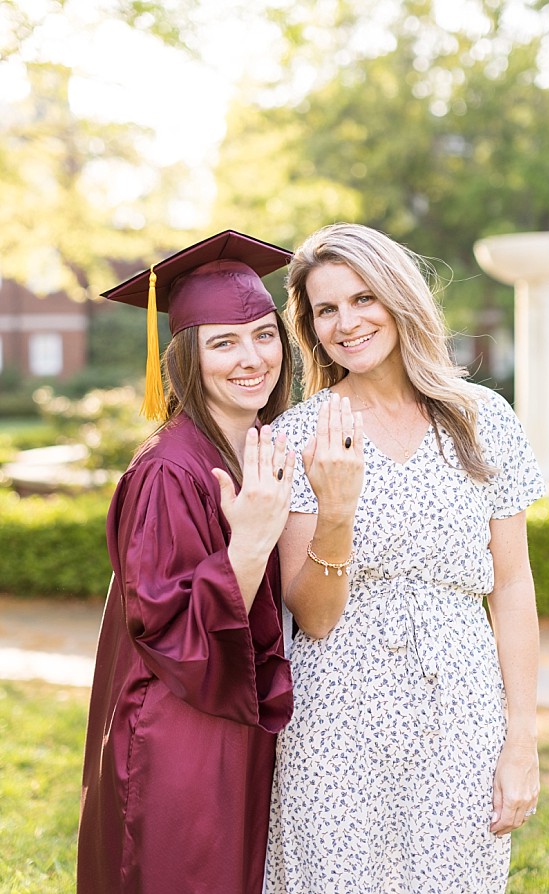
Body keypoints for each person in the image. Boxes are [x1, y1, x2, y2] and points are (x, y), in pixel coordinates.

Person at [263, 222, 545, 892]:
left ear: (399, 297)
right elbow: (314, 617)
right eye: (326, 309)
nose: (347, 323)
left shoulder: (483, 418)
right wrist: (336, 511)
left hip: (462, 709)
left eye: (363, 298)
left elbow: (512, 586)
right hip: (336, 715)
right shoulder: (298, 435)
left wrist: (522, 739)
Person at [78, 230, 297, 893]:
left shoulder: (255, 447)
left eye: (264, 335)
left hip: (232, 721)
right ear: (185, 360)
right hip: (181, 736)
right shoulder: (170, 469)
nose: (252, 358)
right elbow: (171, 631)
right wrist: (249, 543)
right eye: (223, 343)